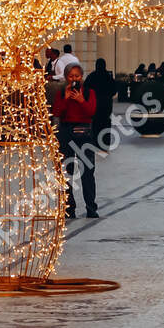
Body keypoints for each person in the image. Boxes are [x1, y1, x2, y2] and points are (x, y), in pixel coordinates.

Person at [52, 64, 98, 218]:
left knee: (87, 172)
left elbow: (91, 111)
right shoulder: (61, 93)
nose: (74, 79)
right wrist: (65, 99)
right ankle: (69, 207)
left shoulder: (89, 92)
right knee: (66, 172)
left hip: (84, 133)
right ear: (66, 78)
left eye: (77, 76)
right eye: (71, 76)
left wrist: (81, 100)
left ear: (82, 76)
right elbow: (56, 112)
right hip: (66, 133)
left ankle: (91, 207)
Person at [85, 59, 115, 149]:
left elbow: (86, 88)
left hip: (95, 104)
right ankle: (105, 144)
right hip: (106, 105)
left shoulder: (92, 76)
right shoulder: (108, 77)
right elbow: (114, 89)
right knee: (105, 123)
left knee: (95, 124)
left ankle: (95, 144)